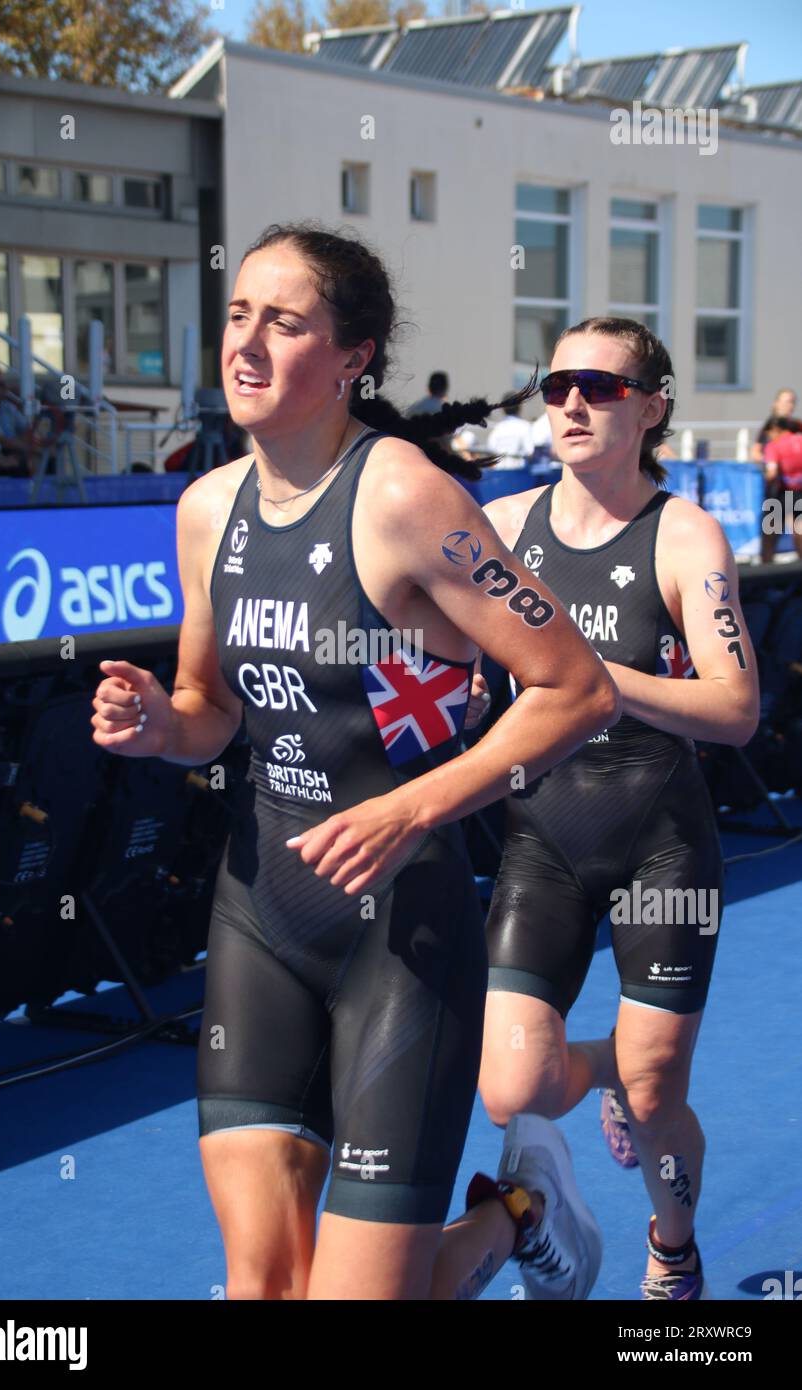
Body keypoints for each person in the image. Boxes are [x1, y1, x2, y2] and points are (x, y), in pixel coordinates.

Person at [90, 222, 620, 1301]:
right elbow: (210, 710)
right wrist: (158, 723)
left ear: (351, 356)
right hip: (257, 914)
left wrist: (410, 811)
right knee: (264, 1287)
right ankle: (512, 1215)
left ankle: (507, 1218)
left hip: (401, 936)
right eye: (237, 314)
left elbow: (576, 686)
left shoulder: (402, 497)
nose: (245, 342)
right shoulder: (203, 509)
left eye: (282, 322)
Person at [455, 317, 759, 1300]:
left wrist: (601, 681)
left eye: (598, 385)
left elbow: (735, 709)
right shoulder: (499, 528)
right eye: (554, 387)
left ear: (650, 407)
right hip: (540, 842)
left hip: (658, 847)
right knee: (509, 1087)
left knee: (661, 1084)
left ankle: (671, 1243)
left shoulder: (682, 533)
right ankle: (616, 1073)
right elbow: (457, 678)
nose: (572, 403)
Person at [0, 366, 41, 472]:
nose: (5, 387)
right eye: (0, 384)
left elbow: (28, 429)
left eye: (5, 383)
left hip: (16, 447)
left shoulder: (8, 406)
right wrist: (30, 448)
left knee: (48, 456)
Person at [762, 416, 802, 562]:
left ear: (775, 430)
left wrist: (764, 484)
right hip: (800, 492)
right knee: (799, 528)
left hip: (782, 493)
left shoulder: (774, 445)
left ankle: (766, 566)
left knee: (771, 530)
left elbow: (772, 472)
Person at [751, 389, 797, 465]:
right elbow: (756, 452)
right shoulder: (771, 424)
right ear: (777, 403)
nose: (789, 405)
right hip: (775, 470)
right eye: (786, 402)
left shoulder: (796, 425)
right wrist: (770, 462)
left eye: (792, 402)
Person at [486, 400, 534, 470]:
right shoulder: (526, 426)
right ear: (520, 408)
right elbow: (530, 452)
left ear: (503, 409)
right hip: (520, 473)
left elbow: (490, 451)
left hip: (500, 473)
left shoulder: (497, 428)